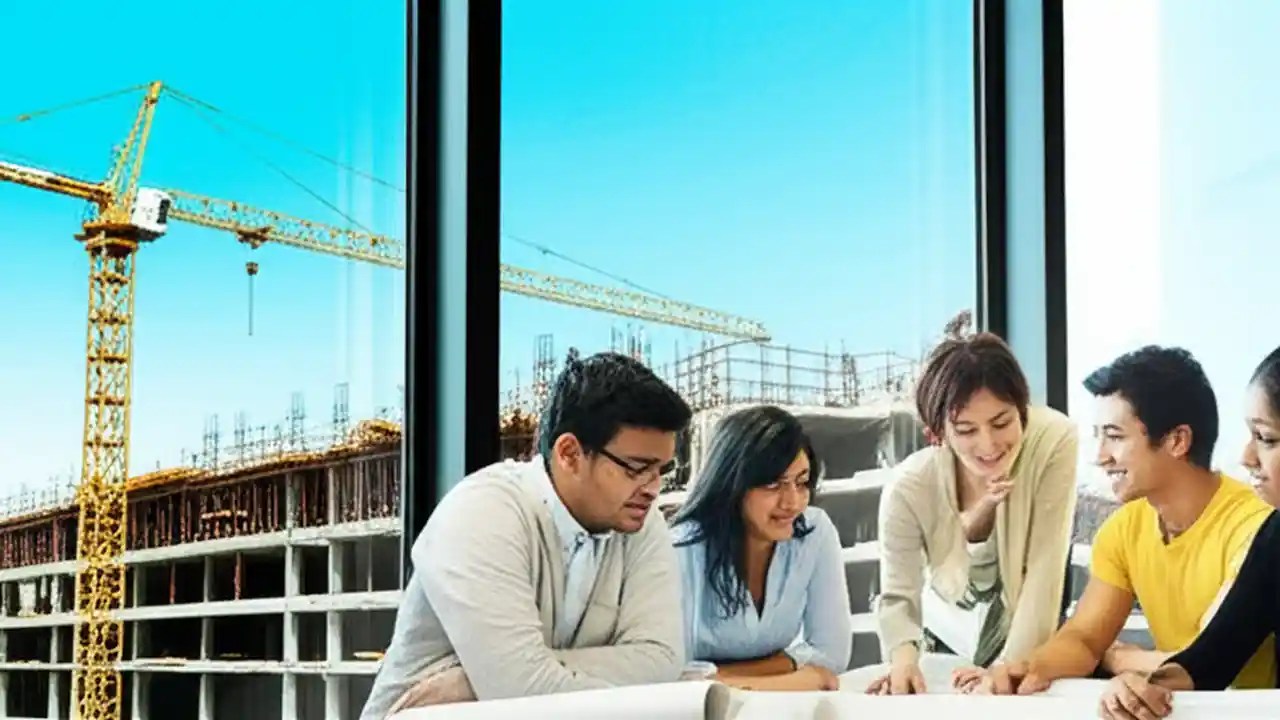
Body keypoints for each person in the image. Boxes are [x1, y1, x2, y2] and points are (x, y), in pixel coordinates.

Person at [359, 352, 693, 718]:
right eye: (638, 468)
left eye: (663, 469)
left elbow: (662, 659)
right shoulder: (483, 512)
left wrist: (480, 684)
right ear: (569, 454)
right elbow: (524, 696)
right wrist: (512, 685)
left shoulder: (641, 524)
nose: (653, 487)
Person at [974, 345, 1276, 698]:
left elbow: (1209, 657)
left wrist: (1119, 658)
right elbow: (1085, 639)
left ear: (1177, 441)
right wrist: (1028, 668)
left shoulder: (1257, 528)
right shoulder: (1125, 528)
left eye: (1115, 436)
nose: (1100, 457)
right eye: (1098, 436)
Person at [865, 332, 1079, 695]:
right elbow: (898, 593)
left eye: (1002, 423)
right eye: (966, 430)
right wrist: (903, 662)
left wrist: (1008, 669)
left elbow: (1045, 567)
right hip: (942, 640)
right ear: (938, 433)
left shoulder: (1053, 440)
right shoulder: (909, 486)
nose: (989, 445)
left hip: (1023, 639)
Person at [1097, 346, 1280, 719]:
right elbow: (1208, 662)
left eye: (1267, 438)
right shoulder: (1275, 540)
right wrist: (1141, 690)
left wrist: (1122, 657)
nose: (1247, 456)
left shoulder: (1247, 520)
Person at [669, 405, 850, 692]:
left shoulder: (814, 532)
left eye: (802, 483)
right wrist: (796, 671)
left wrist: (723, 679)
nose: (792, 502)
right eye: (772, 484)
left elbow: (831, 654)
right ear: (733, 482)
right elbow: (670, 676)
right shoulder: (682, 550)